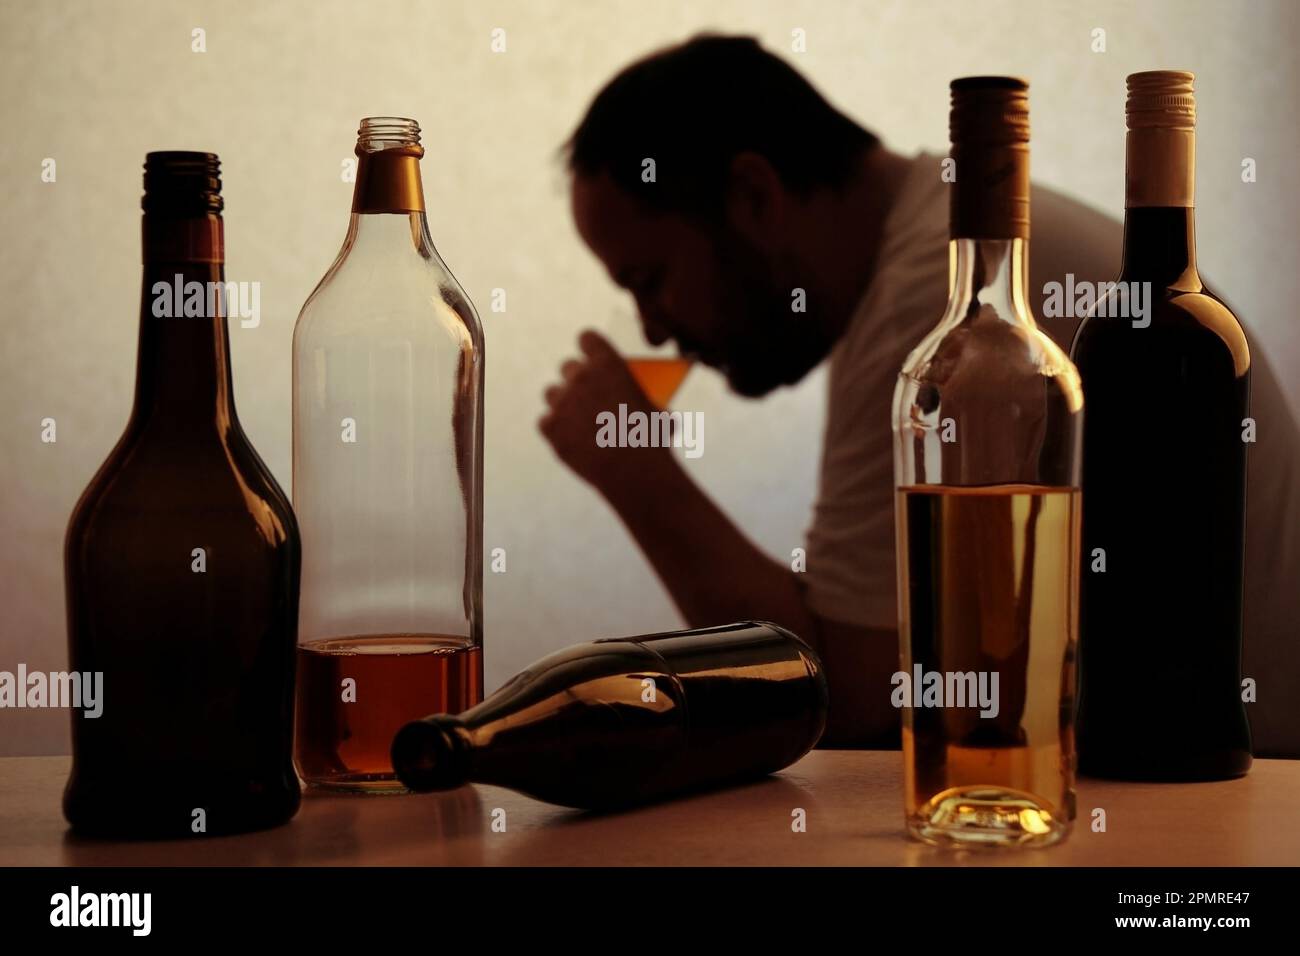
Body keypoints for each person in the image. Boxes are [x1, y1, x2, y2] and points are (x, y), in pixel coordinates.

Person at [538, 34, 1300, 756]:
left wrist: (639, 480)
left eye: (650, 281)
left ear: (754, 196)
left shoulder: (933, 301)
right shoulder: (907, 271)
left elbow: (858, 705)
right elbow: (862, 638)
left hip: (1226, 782)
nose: (653, 328)